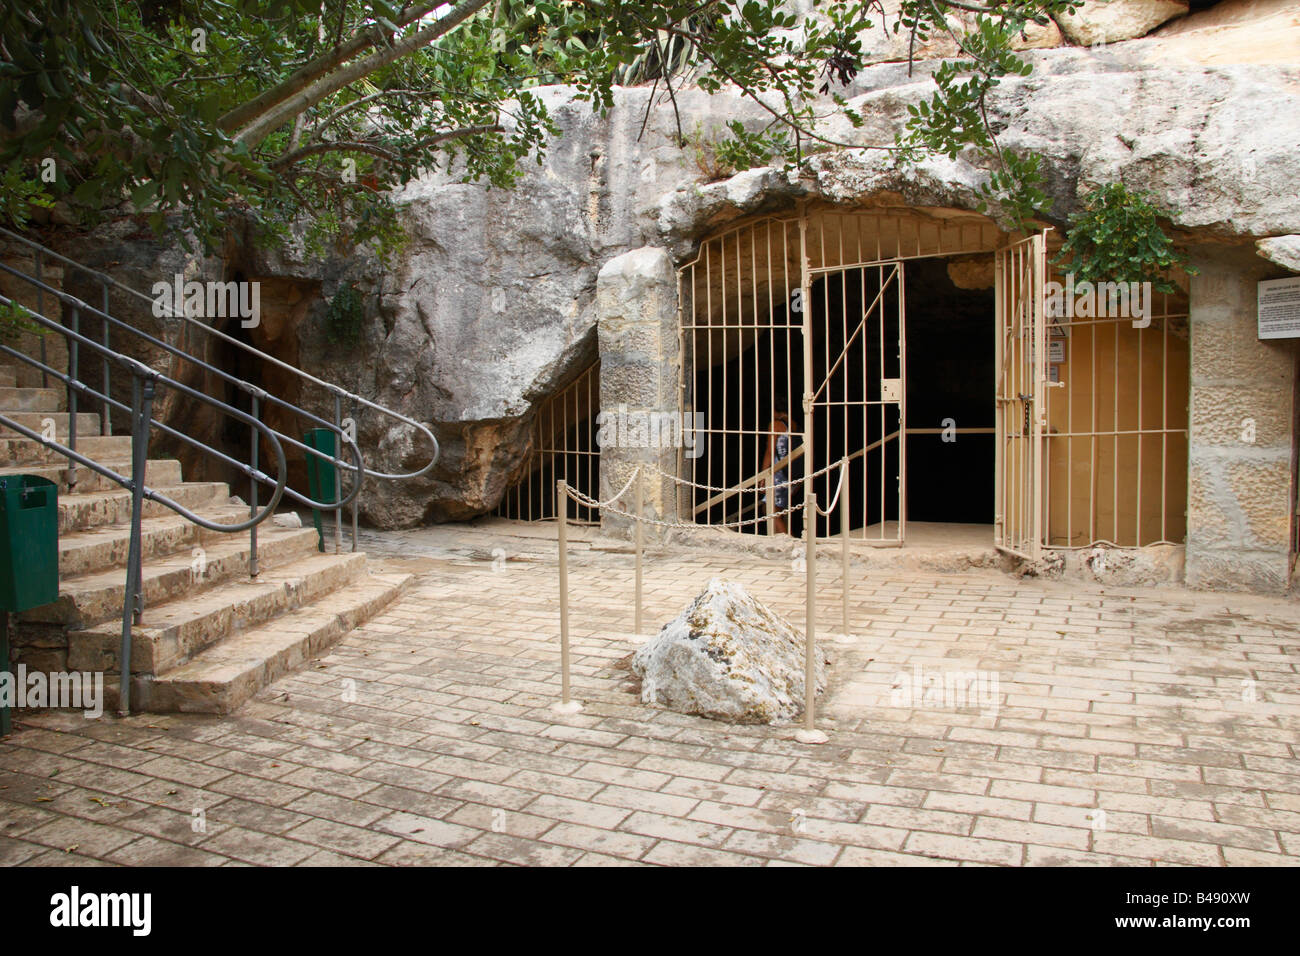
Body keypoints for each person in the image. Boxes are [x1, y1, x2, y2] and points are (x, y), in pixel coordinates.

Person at [761, 399, 796, 535]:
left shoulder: (775, 425)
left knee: (771, 510)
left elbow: (770, 451)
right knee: (775, 511)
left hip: (779, 473)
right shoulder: (793, 425)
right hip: (791, 472)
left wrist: (763, 475)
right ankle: (782, 539)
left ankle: (789, 543)